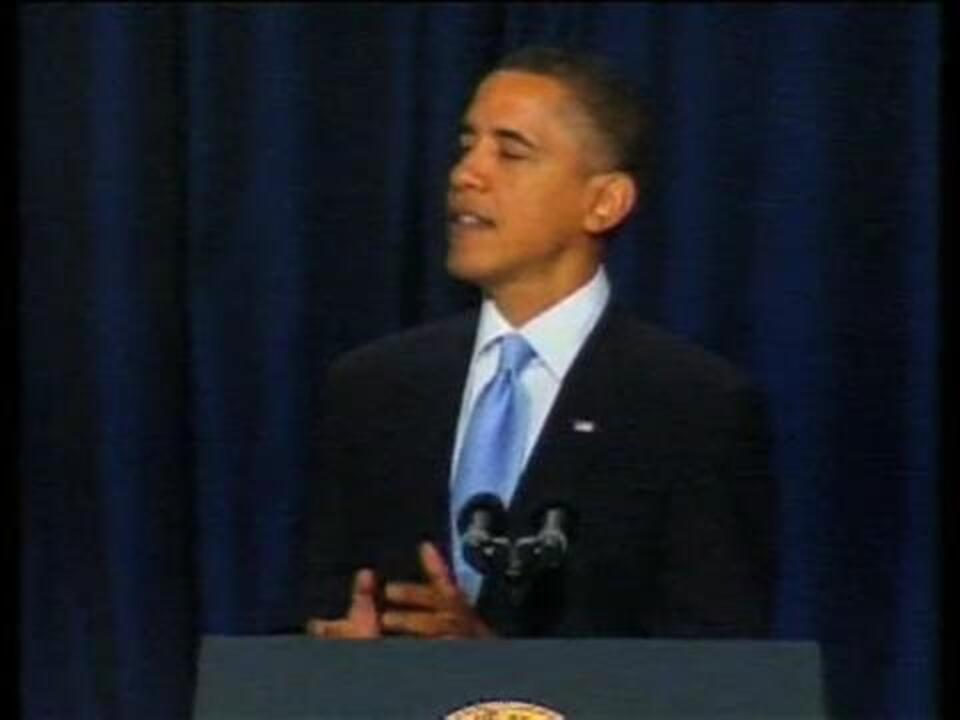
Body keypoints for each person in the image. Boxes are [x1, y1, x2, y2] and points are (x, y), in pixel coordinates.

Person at [302, 46, 776, 640]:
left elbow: (719, 675)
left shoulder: (694, 407)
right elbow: (320, 612)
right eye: (466, 146)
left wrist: (496, 669)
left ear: (604, 202)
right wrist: (341, 647)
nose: (465, 174)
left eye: (510, 152)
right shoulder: (372, 388)